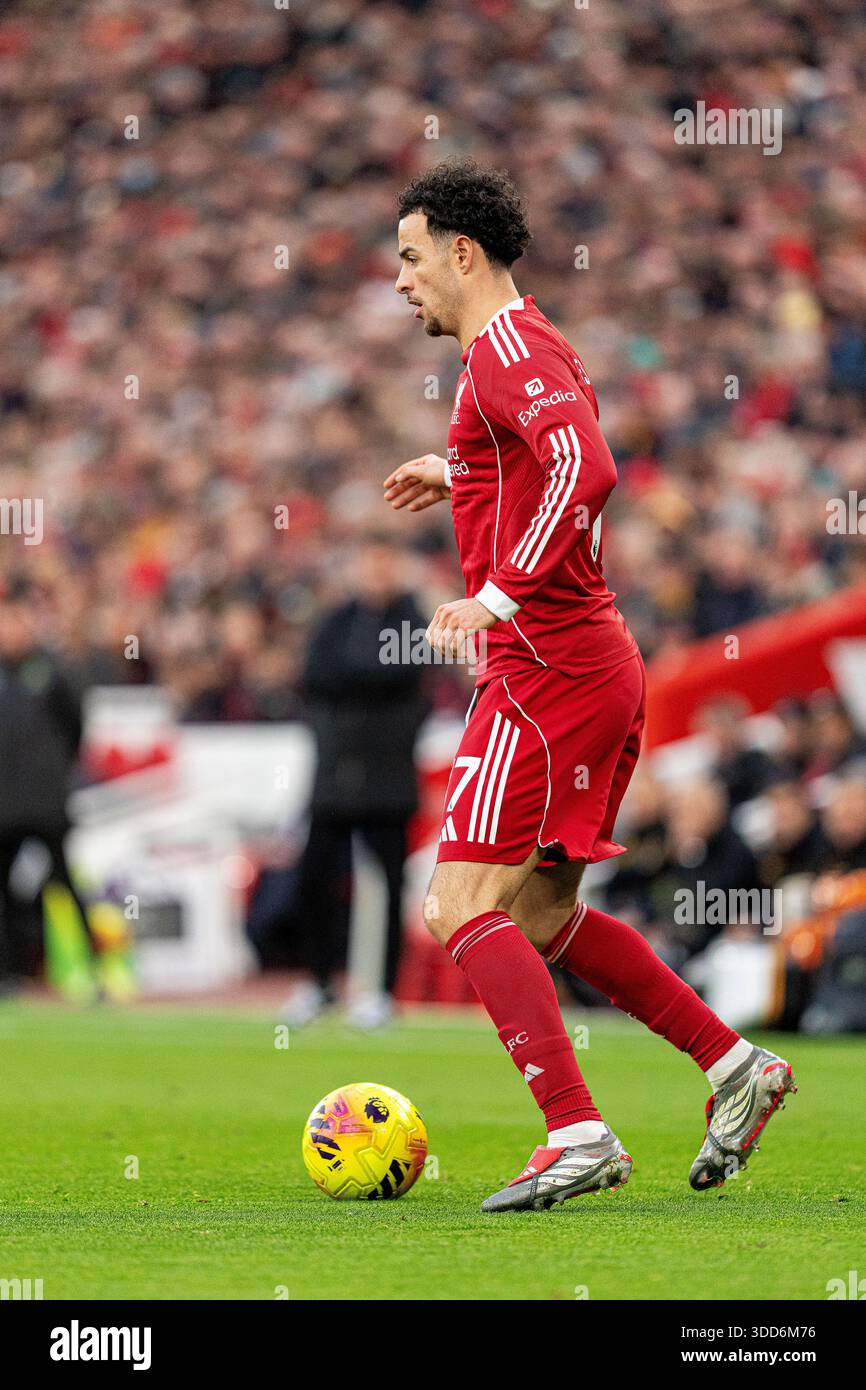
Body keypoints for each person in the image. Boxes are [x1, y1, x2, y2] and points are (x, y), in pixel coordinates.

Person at [384, 158, 796, 1212]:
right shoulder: (529, 341)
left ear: (461, 254)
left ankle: (575, 1131)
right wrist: (463, 473)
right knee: (543, 914)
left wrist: (501, 596)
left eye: (411, 257)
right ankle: (734, 1065)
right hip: (592, 663)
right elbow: (546, 455)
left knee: (456, 903)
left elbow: (588, 466)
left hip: (544, 668)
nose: (402, 281)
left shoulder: (504, 350)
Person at [280, 536, 429, 1029]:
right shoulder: (338, 620)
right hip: (334, 777)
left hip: (387, 780)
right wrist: (364, 681)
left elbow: (396, 672)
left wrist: (354, 681)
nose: (376, 575)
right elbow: (314, 672)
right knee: (314, 877)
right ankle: (322, 981)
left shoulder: (412, 619)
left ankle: (382, 990)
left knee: (388, 884)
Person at [0, 589, 96, 989]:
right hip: (4, 802)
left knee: (63, 883)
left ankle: (92, 968)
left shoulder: (51, 672)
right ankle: (9, 972)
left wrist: (54, 773)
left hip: (45, 802)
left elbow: (76, 726)